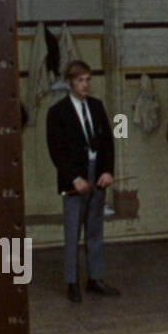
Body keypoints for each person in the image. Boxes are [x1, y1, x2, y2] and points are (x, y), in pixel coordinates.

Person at [46, 60, 119, 303]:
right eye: (80, 80)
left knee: (95, 230)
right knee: (72, 232)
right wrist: (74, 179)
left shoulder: (97, 107)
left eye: (88, 80)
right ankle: (72, 282)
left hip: (97, 173)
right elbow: (56, 151)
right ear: (70, 82)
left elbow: (109, 141)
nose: (85, 85)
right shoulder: (57, 112)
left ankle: (95, 279)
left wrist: (108, 171)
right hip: (74, 177)